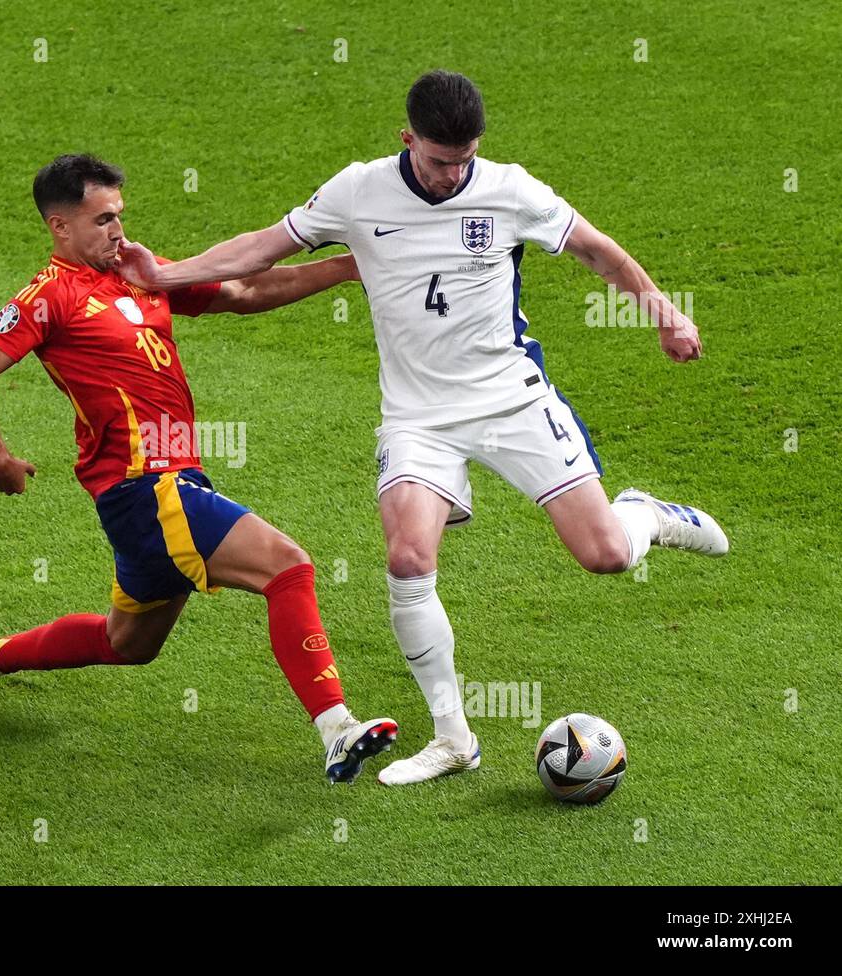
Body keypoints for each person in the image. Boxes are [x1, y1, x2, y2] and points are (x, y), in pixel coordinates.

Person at [113, 70, 729, 787]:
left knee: (605, 556)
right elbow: (263, 247)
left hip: (511, 400)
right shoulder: (358, 190)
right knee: (408, 560)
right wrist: (165, 274)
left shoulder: (510, 189)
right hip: (417, 417)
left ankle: (645, 515)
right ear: (407, 140)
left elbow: (598, 249)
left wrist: (664, 312)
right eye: (439, 160)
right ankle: (452, 738)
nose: (452, 174)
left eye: (464, 159)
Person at [0, 153, 397, 784]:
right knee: (287, 566)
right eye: (102, 220)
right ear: (59, 226)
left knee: (127, 643)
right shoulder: (50, 296)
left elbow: (244, 292)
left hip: (159, 494)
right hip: (146, 488)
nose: (117, 231)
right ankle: (338, 728)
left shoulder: (138, 275)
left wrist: (348, 266)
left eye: (120, 217)